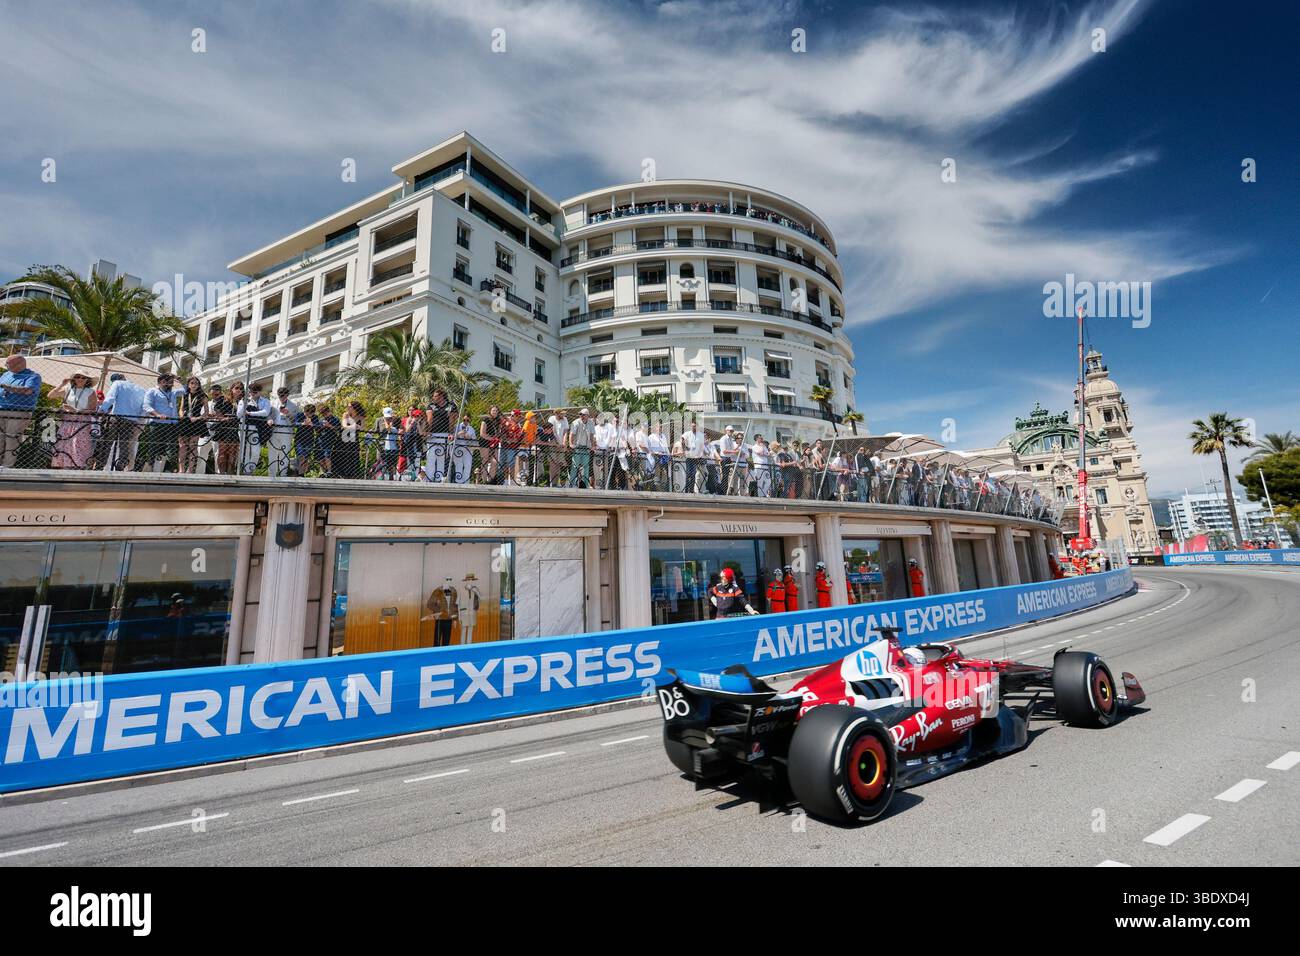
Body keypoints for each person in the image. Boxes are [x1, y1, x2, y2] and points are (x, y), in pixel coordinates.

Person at [97, 371, 148, 471]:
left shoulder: (117, 384)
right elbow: (143, 406)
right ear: (124, 377)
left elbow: (110, 398)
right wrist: (138, 419)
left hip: (116, 417)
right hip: (131, 419)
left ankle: (100, 465)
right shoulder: (141, 389)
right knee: (124, 444)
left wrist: (101, 410)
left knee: (108, 441)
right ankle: (121, 465)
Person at [0, 354, 41, 468]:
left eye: (8, 364)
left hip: (19, 411)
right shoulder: (6, 374)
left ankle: (7, 466)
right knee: (0, 438)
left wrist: (7, 387)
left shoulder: (33, 376)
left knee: (12, 439)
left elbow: (27, 390)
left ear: (19, 364)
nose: (6, 366)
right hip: (1, 409)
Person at [48, 371, 96, 469]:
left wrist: (76, 411)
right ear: (74, 378)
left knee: (78, 443)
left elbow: (92, 409)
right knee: (63, 442)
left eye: (83, 378)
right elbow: (50, 395)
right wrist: (62, 384)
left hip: (82, 421)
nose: (80, 379)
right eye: (78, 377)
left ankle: (78, 466)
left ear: (87, 380)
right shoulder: (68, 389)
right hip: (68, 420)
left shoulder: (90, 392)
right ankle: (62, 465)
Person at [139, 372, 182, 472]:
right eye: (167, 382)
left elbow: (186, 389)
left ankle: (169, 468)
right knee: (154, 445)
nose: (170, 384)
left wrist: (177, 378)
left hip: (171, 424)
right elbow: (146, 406)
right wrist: (157, 414)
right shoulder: (152, 391)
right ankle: (149, 467)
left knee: (171, 447)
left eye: (171, 382)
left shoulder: (173, 393)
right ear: (160, 382)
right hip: (157, 423)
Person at [236, 382, 272, 475]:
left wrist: (251, 413)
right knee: (245, 450)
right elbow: (239, 414)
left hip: (257, 428)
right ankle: (246, 472)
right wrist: (244, 403)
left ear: (259, 392)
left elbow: (266, 412)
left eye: (255, 392)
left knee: (256, 451)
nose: (252, 394)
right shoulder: (244, 400)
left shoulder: (265, 401)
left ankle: (250, 469)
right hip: (244, 427)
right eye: (251, 392)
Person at [176, 376, 208, 474]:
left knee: (193, 446)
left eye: (196, 383)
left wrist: (198, 418)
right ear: (188, 385)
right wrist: (181, 416)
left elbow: (206, 412)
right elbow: (181, 408)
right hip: (185, 422)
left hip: (196, 422)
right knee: (182, 446)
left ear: (199, 385)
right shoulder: (185, 394)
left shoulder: (203, 396)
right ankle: (181, 469)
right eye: (192, 383)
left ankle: (190, 470)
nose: (194, 385)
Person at [206, 382, 239, 475]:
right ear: (231, 389)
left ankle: (229, 473)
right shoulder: (224, 399)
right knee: (222, 453)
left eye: (240, 388)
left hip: (235, 428)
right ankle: (221, 473)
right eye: (236, 388)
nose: (239, 390)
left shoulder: (241, 401)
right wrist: (223, 418)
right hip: (223, 428)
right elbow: (217, 410)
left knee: (233, 453)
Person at [425, 388, 457, 481]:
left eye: (436, 396)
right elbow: (429, 419)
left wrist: (451, 432)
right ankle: (429, 478)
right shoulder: (431, 405)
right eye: (433, 396)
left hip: (445, 434)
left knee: (442, 457)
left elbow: (453, 419)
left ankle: (439, 478)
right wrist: (427, 431)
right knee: (430, 456)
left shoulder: (451, 405)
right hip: (433, 434)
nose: (434, 398)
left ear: (441, 396)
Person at [267, 386, 299, 478]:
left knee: (284, 453)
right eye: (280, 395)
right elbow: (268, 415)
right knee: (272, 452)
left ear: (287, 395)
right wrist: (269, 420)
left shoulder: (293, 406)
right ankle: (271, 475)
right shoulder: (272, 403)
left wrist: (288, 414)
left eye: (283, 395)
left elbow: (295, 421)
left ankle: (283, 475)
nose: (281, 397)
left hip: (286, 430)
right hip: (274, 430)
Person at [335, 401, 365, 479]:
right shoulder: (346, 415)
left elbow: (362, 428)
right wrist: (354, 426)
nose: (348, 408)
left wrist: (356, 426)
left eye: (350, 406)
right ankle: (342, 473)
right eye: (347, 406)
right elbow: (344, 425)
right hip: (344, 437)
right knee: (344, 455)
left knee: (353, 455)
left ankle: (352, 474)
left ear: (354, 408)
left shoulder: (360, 417)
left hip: (354, 438)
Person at [566, 407, 594, 488]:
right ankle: (572, 484)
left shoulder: (591, 423)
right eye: (580, 414)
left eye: (583, 414)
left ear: (587, 415)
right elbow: (571, 434)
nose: (581, 416)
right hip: (577, 447)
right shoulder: (576, 422)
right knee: (575, 465)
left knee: (586, 467)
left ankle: (585, 484)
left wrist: (592, 445)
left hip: (586, 448)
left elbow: (592, 435)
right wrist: (571, 444)